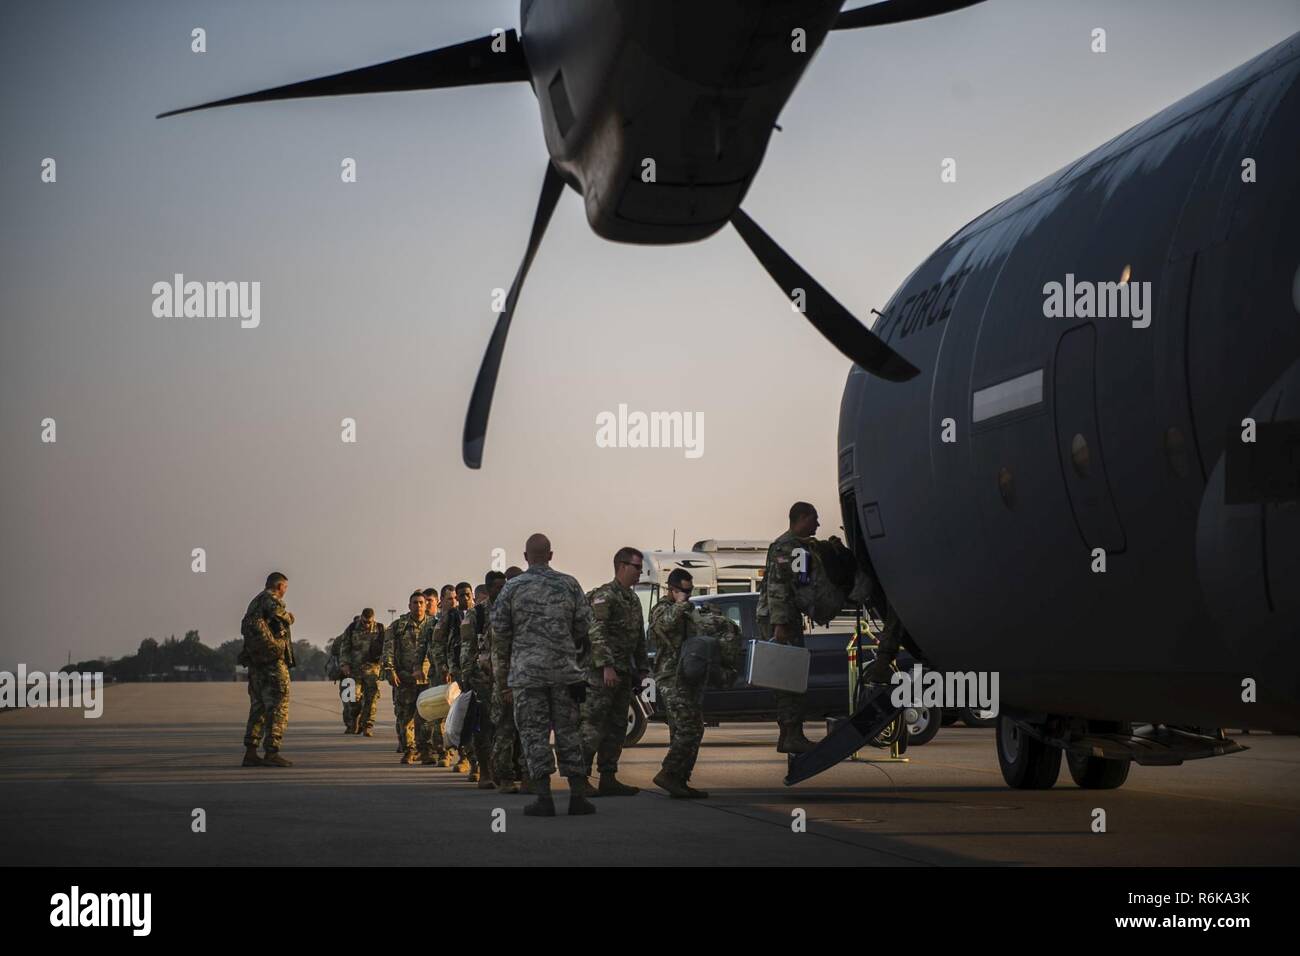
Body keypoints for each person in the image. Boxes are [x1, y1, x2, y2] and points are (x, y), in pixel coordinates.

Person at [491, 533, 595, 817]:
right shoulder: (569, 584)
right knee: (568, 733)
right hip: (565, 675)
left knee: (533, 735)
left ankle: (544, 798)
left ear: (525, 558)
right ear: (551, 555)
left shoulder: (512, 588)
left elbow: (500, 638)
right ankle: (577, 796)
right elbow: (585, 629)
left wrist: (503, 683)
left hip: (527, 676)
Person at [578, 547, 649, 797]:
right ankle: (581, 778)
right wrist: (606, 666)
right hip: (601, 674)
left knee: (617, 726)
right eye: (637, 567)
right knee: (593, 725)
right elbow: (596, 631)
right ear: (622, 566)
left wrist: (642, 669)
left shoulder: (632, 599)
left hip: (623, 673)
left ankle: (608, 776)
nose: (641, 572)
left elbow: (638, 637)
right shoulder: (605, 596)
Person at [756, 501, 819, 754]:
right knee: (788, 679)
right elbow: (779, 588)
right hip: (779, 620)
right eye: (814, 518)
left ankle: (789, 735)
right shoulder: (788, 547)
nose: (817, 524)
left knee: (788, 677)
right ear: (802, 518)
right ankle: (792, 735)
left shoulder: (800, 548)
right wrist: (780, 624)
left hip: (785, 618)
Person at [649, 569, 706, 798]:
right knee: (690, 727)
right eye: (684, 591)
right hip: (670, 677)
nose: (688, 595)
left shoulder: (687, 609)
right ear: (672, 590)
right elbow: (665, 625)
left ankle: (679, 779)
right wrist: (682, 605)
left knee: (683, 729)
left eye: (691, 591)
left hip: (686, 676)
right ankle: (668, 773)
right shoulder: (661, 609)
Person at [239, 571, 296, 767]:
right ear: (279, 586)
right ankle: (272, 751)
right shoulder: (272, 600)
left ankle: (251, 751)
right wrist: (290, 617)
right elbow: (283, 618)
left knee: (258, 707)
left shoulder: (254, 603)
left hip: (256, 663)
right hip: (273, 663)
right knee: (279, 706)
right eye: (285, 588)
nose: (285, 592)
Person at [460, 576, 504, 789]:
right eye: (497, 587)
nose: (502, 590)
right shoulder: (476, 613)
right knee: (483, 727)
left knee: (503, 727)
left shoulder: (511, 609)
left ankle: (501, 769)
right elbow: (466, 648)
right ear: (489, 589)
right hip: (482, 679)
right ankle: (484, 770)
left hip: (506, 678)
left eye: (504, 586)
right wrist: (467, 678)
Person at [383, 591, 432, 765]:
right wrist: (390, 670)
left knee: (426, 717)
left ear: (426, 605)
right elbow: (388, 648)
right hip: (405, 678)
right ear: (409, 605)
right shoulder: (398, 626)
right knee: (405, 717)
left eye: (421, 603)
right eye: (415, 603)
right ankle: (409, 750)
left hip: (428, 679)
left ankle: (425, 750)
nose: (418, 606)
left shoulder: (433, 625)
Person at [339, 608, 384, 736]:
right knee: (353, 698)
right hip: (354, 670)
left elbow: (387, 646)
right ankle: (354, 719)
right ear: (361, 618)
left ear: (373, 619)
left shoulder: (380, 629)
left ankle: (367, 726)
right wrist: (344, 664)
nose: (367, 625)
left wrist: (384, 660)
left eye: (369, 622)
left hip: (372, 670)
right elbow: (345, 647)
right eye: (364, 622)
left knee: (372, 698)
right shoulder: (352, 628)